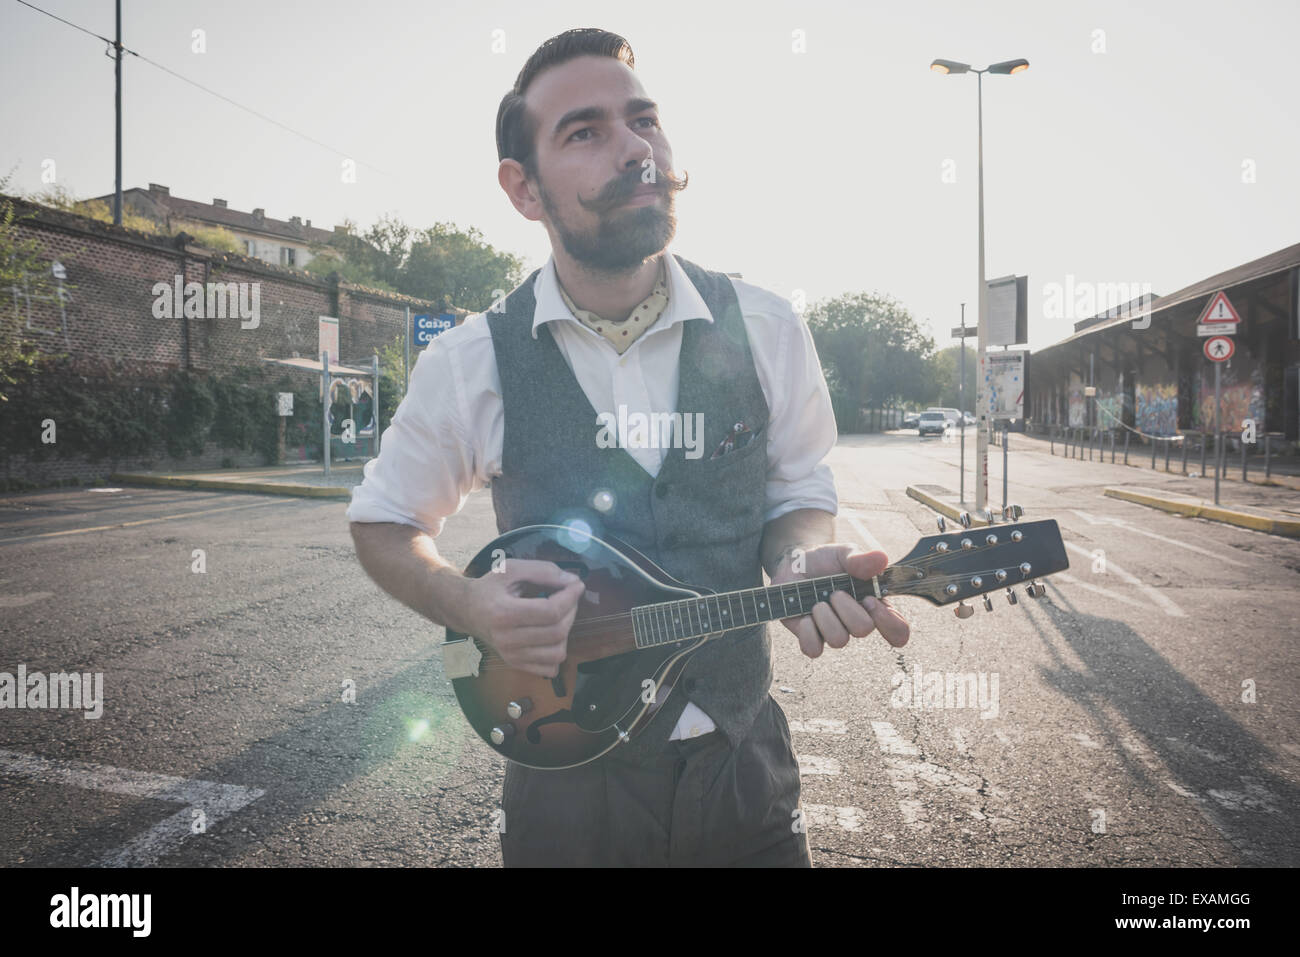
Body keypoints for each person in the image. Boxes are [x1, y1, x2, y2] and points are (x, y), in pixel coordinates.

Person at [347, 27, 910, 867]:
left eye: (643, 120)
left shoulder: (765, 328)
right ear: (523, 188)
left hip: (744, 773)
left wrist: (801, 562)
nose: (635, 148)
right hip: (566, 792)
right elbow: (383, 523)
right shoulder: (472, 361)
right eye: (586, 132)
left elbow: (795, 499)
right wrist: (468, 608)